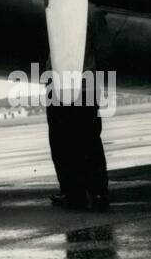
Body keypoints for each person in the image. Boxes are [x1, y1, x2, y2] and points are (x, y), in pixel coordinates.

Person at [47, 19, 110, 211]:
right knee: (88, 139)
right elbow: (104, 49)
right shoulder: (92, 13)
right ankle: (96, 191)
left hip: (65, 85)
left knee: (62, 141)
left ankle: (74, 192)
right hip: (82, 84)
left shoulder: (54, 10)